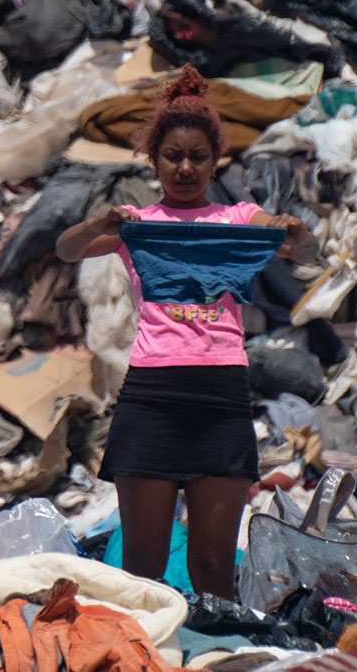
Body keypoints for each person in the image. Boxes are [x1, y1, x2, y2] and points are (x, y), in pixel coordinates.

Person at [55, 66, 316, 599]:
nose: (185, 166)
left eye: (198, 155)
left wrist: (295, 231)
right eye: (173, 156)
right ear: (155, 161)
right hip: (151, 398)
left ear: (215, 159)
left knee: (215, 572)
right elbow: (65, 250)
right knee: (141, 571)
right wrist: (99, 226)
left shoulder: (240, 218)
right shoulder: (137, 221)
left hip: (221, 401)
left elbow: (302, 252)